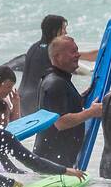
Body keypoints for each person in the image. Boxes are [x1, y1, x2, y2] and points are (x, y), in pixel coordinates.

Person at [34, 36, 103, 168]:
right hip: (53, 162)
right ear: (58, 56)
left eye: (77, 50)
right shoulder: (55, 83)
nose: (78, 55)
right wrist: (91, 112)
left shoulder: (56, 79)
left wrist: (83, 97)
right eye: (73, 52)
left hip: (53, 159)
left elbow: (64, 106)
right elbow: (61, 122)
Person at [15, 14, 66, 115]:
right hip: (35, 100)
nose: (66, 32)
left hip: (22, 97)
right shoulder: (51, 51)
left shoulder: (34, 47)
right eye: (63, 29)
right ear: (54, 31)